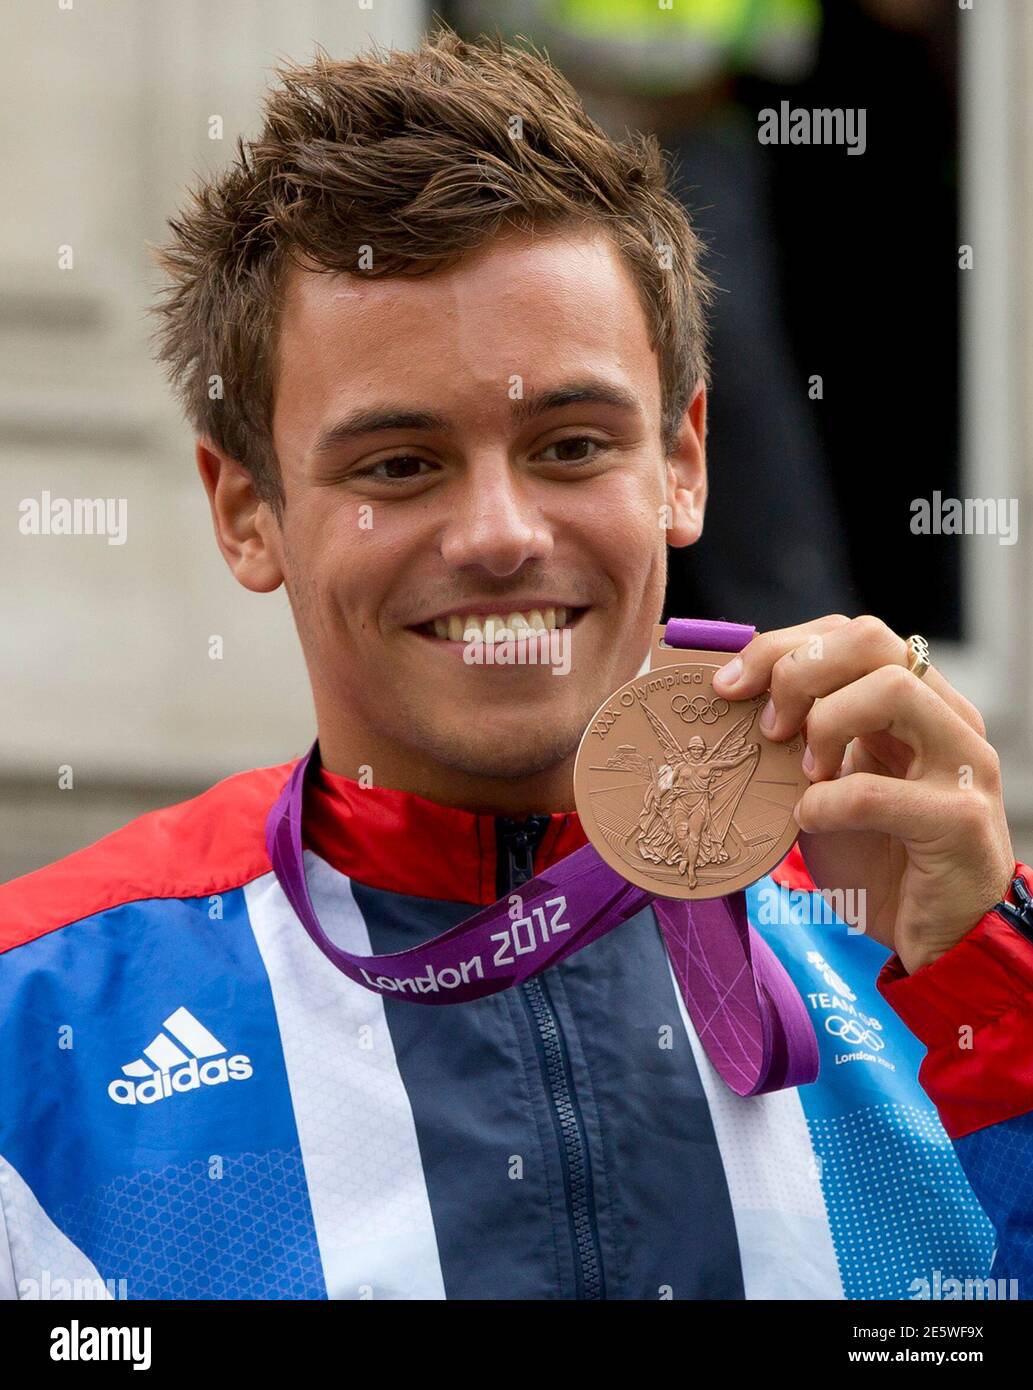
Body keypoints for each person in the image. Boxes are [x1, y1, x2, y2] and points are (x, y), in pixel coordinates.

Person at [0, 29, 1029, 1302]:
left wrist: (990, 982)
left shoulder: (931, 932)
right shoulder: (35, 1014)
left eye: (571, 444)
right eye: (398, 464)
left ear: (684, 462)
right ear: (245, 510)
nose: (499, 534)